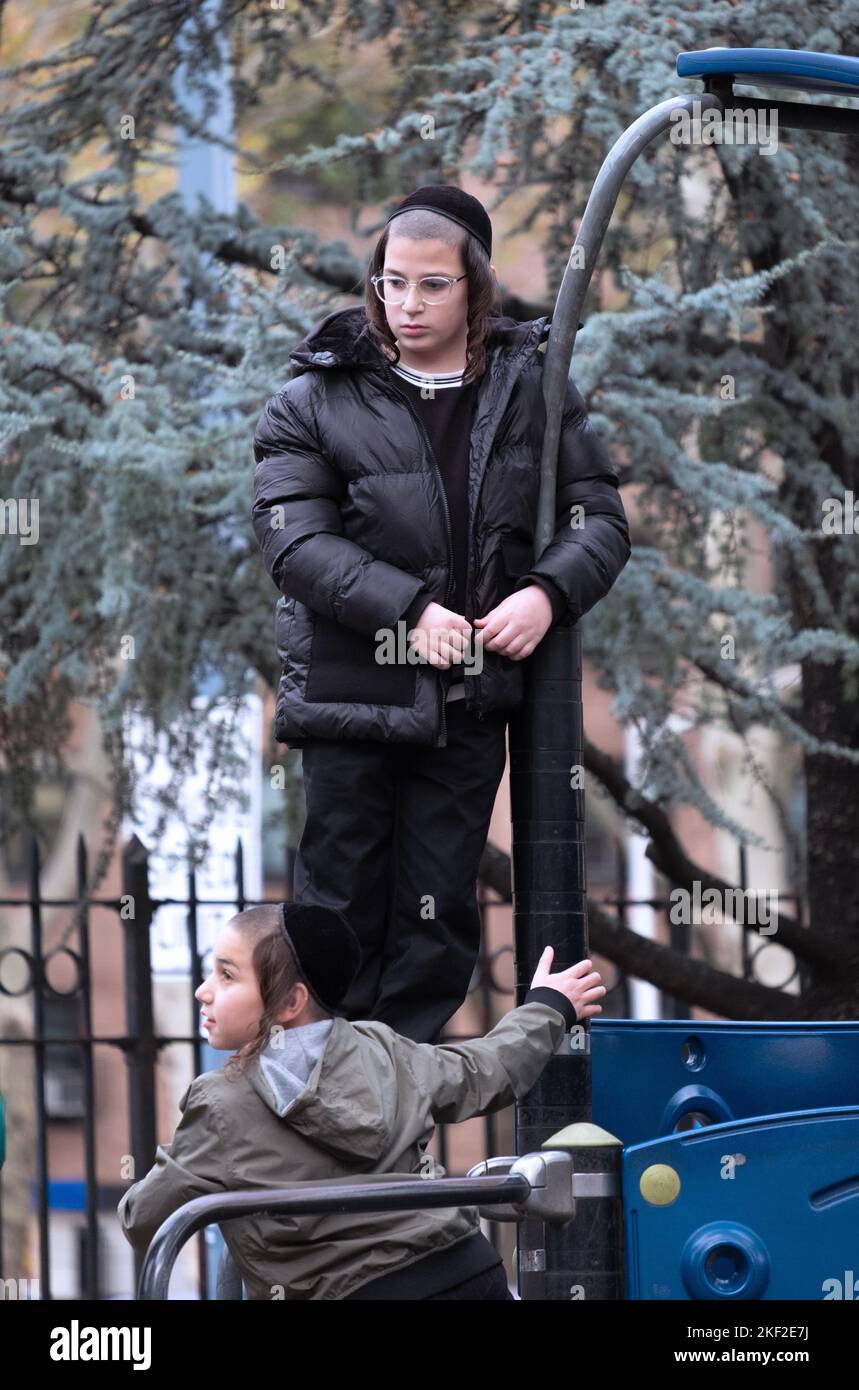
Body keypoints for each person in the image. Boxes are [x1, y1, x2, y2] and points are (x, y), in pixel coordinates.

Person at [251, 184, 631, 1044]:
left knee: (435, 925)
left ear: (475, 288)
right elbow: (292, 543)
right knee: (335, 914)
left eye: (431, 285)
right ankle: (321, 1117)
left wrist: (546, 591)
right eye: (391, 283)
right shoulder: (314, 397)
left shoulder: (537, 388)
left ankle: (400, 1121)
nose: (407, 304)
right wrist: (410, 610)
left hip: (466, 705)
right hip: (352, 700)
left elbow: (598, 518)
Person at [118, 903, 606, 1301]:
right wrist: (548, 1005)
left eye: (227, 976)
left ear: (290, 1004)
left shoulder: (220, 1103)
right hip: (464, 1270)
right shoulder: (379, 1047)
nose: (204, 992)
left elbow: (144, 1220)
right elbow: (484, 1071)